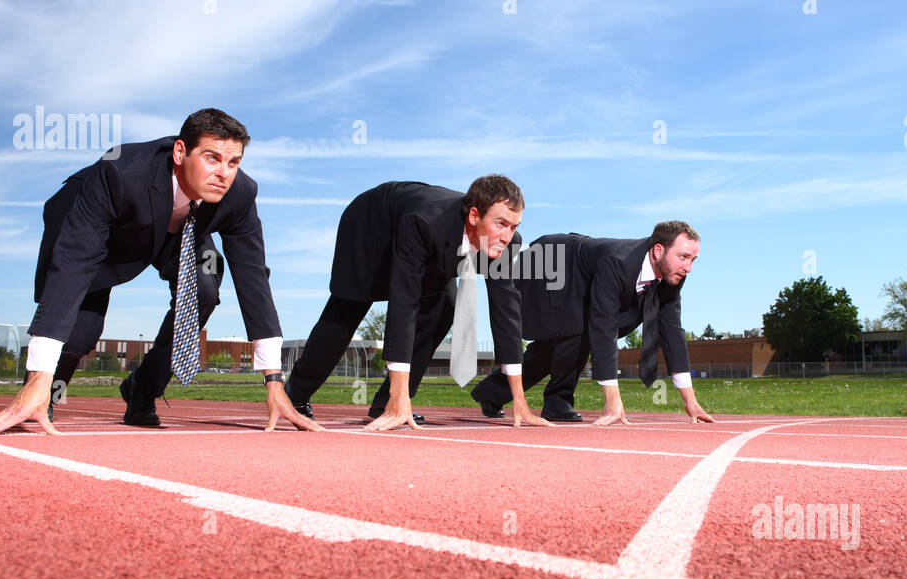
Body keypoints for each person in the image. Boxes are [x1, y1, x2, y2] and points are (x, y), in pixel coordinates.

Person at [0, 109, 321, 436]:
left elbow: (254, 278)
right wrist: (39, 373)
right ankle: (44, 393)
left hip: (179, 231)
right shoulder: (119, 172)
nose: (224, 173)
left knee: (204, 289)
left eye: (233, 162)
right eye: (212, 158)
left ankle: (142, 388)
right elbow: (73, 265)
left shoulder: (240, 194)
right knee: (81, 331)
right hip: (104, 226)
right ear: (180, 152)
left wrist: (274, 383)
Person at [285, 177, 550, 430]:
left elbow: (507, 311)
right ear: (473, 216)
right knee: (349, 308)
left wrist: (520, 401)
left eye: (514, 226)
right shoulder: (425, 222)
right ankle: (296, 393)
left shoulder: (506, 242)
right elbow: (405, 300)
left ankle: (392, 401)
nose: (508, 235)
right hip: (372, 225)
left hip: (432, 241)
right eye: (501, 224)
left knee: (444, 305)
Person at [470, 222, 715, 425]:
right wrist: (612, 400)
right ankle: (557, 401)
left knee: (563, 342)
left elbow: (672, 331)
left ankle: (492, 392)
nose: (688, 267)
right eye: (683, 257)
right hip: (555, 264)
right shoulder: (618, 262)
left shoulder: (673, 274)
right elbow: (604, 324)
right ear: (658, 250)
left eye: (693, 259)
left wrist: (690, 401)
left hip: (582, 278)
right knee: (578, 330)